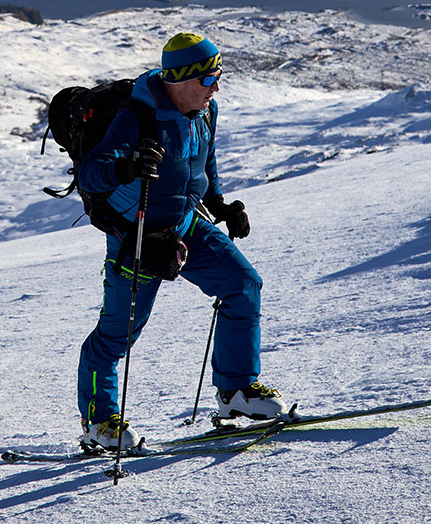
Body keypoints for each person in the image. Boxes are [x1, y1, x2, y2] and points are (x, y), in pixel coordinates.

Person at [75, 32, 290, 450]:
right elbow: (91, 173)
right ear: (179, 79)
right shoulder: (138, 117)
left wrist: (221, 206)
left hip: (187, 224)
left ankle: (237, 393)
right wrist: (127, 167)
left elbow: (201, 166)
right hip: (135, 237)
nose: (216, 86)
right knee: (117, 334)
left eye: (218, 76)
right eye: (209, 78)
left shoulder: (204, 112)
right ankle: (99, 422)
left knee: (242, 284)